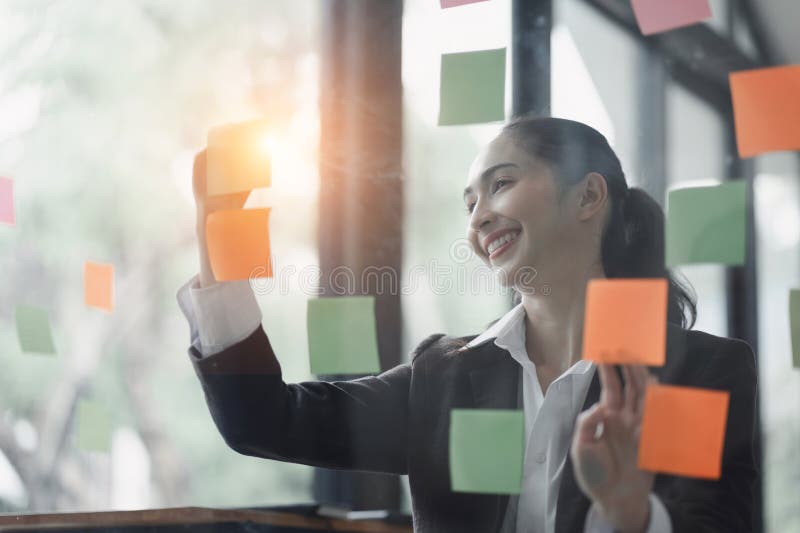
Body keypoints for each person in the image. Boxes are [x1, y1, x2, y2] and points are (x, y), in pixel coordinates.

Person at [177, 117, 757, 533]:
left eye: (501, 184)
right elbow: (264, 420)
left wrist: (634, 516)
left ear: (589, 197)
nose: (479, 217)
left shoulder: (697, 371)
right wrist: (217, 237)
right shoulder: (444, 377)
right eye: (468, 202)